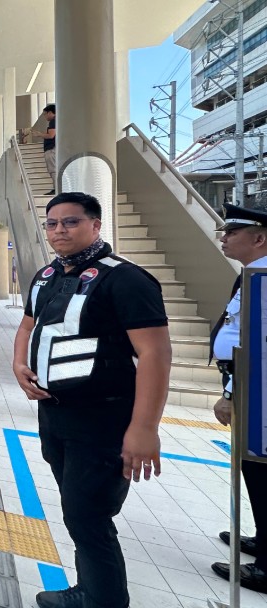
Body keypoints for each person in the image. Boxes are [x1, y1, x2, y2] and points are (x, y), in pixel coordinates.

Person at [12, 192, 171, 608]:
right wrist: (18, 363)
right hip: (55, 415)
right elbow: (28, 324)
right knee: (77, 510)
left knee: (89, 516)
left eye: (71, 222)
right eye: (52, 223)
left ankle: (102, 599)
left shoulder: (126, 279)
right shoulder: (47, 275)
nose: (59, 231)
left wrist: (144, 428)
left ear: (95, 225)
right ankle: (91, 591)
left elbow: (155, 353)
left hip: (103, 419)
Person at [210, 203, 267, 592]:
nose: (224, 238)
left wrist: (231, 393)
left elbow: (259, 346)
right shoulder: (252, 274)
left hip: (256, 389)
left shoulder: (264, 279)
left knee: (262, 471)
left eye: (232, 232)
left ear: (259, 237)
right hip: (249, 384)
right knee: (255, 469)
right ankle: (264, 539)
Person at [36, 104, 57, 195]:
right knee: (54, 169)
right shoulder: (58, 121)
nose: (45, 116)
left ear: (50, 112)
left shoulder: (53, 121)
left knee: (53, 169)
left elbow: (51, 135)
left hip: (51, 148)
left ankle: (57, 188)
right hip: (54, 148)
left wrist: (39, 134)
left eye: (45, 114)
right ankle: (57, 188)